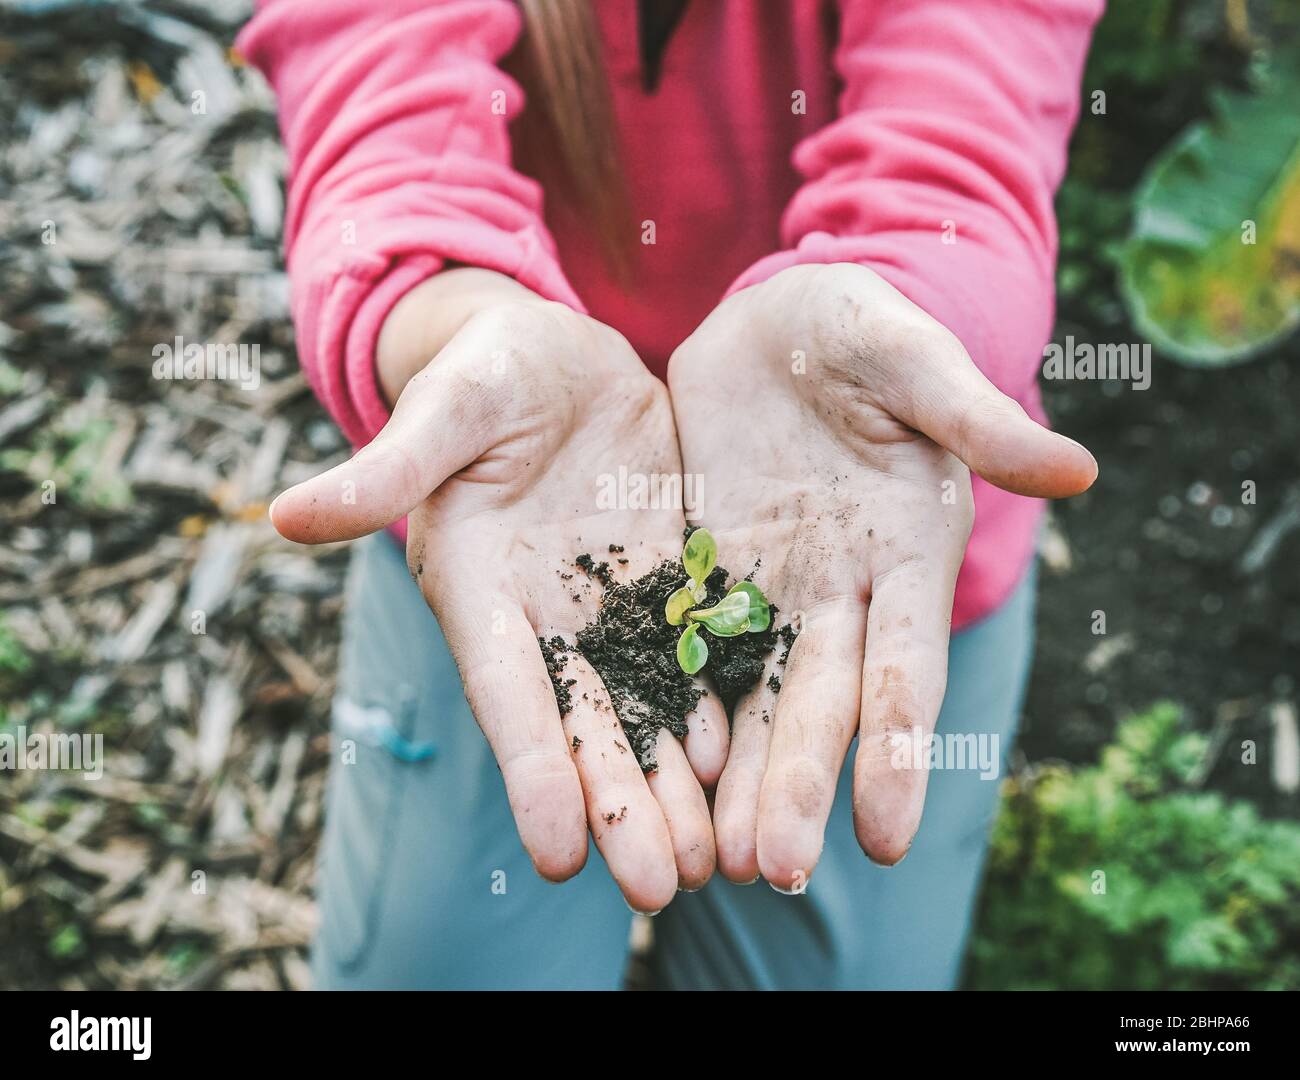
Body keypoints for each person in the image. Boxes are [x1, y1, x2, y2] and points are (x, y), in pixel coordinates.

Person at [238, 0, 1103, 989]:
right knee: (439, 958)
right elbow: (383, 125)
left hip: (863, 521)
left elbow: (961, 135)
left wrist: (900, 305)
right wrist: (445, 324)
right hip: (509, 517)